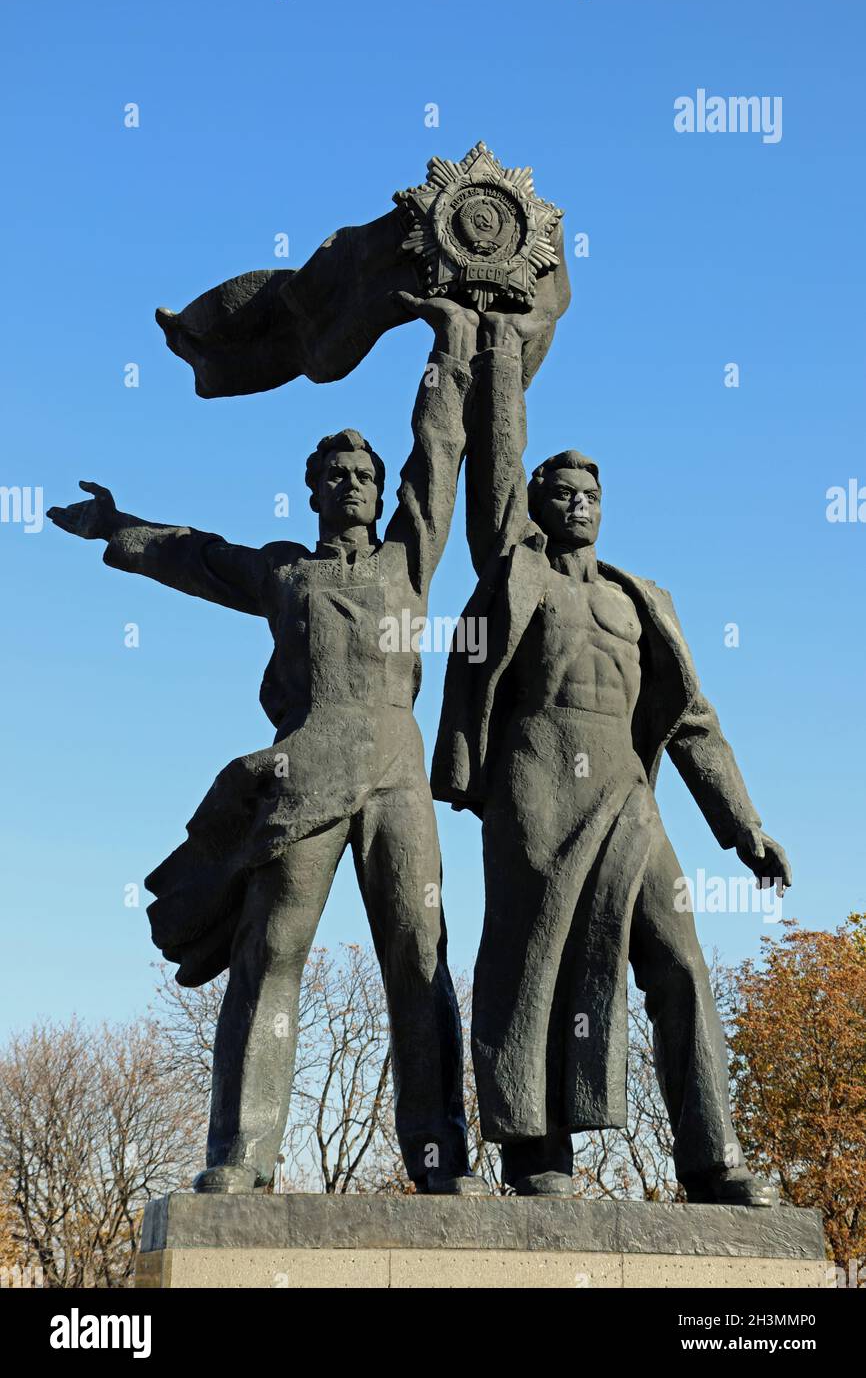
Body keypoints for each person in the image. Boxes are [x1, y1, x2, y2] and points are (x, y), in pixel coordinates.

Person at [49, 294, 486, 1195]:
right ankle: (243, 1154)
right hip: (308, 768)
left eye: (366, 474)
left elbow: (439, 451)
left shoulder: (410, 557)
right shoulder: (285, 569)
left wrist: (448, 343)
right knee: (274, 950)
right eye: (338, 475)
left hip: (398, 774)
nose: (357, 485)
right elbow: (198, 555)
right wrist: (119, 527)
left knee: (420, 951)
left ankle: (439, 1155)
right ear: (313, 489)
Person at [432, 311, 792, 1203]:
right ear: (539, 506)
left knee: (679, 961)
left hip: (629, 800)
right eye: (561, 492)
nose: (578, 504)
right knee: (531, 964)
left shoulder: (642, 601)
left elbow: (694, 724)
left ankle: (713, 1163)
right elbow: (497, 473)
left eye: (591, 493)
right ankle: (536, 1155)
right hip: (534, 794)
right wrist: (501, 353)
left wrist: (745, 830)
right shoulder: (519, 575)